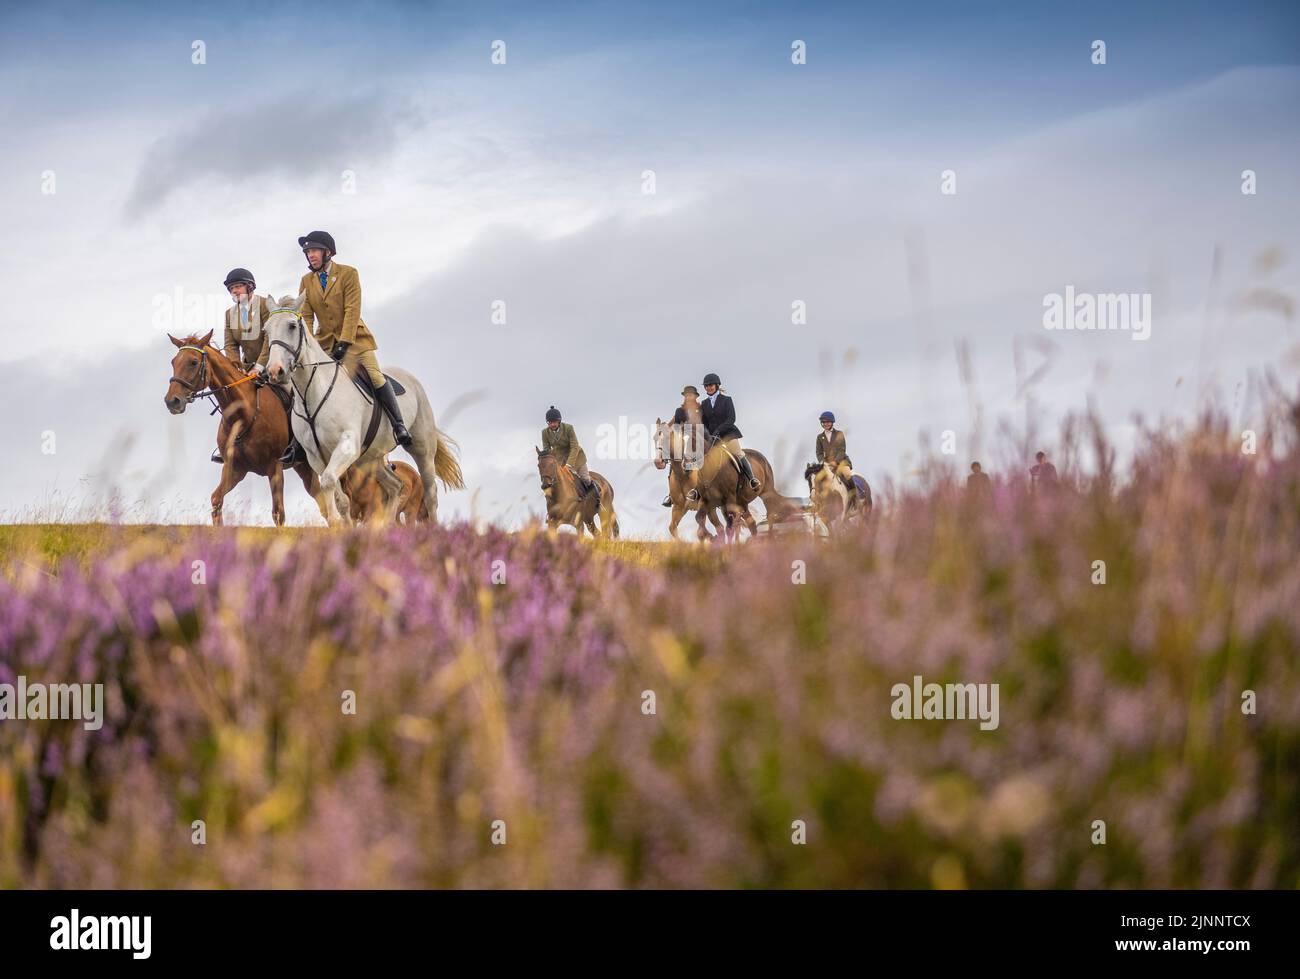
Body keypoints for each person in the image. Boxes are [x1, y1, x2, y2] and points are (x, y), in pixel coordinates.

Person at [282, 231, 411, 464]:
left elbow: (353, 310)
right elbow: (306, 316)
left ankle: (398, 425)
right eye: (307, 252)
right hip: (323, 344)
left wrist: (345, 342)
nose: (310, 255)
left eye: (313, 251)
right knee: (301, 383)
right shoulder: (306, 281)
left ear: (327, 252)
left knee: (374, 376)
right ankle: (297, 443)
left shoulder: (349, 274)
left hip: (355, 340)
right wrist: (308, 344)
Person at [211, 268, 272, 463]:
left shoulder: (265, 305)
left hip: (273, 363)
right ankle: (229, 443)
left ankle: (295, 441)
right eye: (231, 288)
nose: (235, 291)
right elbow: (230, 344)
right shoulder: (230, 314)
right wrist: (236, 367)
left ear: (249, 286)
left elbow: (270, 338)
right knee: (231, 397)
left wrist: (260, 366)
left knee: (288, 393)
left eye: (238, 286)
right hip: (246, 368)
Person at [686, 372, 759, 501]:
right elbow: (704, 422)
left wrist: (719, 430)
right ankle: (697, 489)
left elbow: (731, 419)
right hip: (712, 437)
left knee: (738, 453)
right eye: (707, 386)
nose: (709, 387)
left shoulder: (726, 400)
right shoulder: (704, 404)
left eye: (711, 385)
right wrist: (706, 433)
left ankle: (752, 479)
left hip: (728, 434)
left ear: (717, 385)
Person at [542, 406, 600, 505]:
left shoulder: (568, 428)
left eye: (554, 422)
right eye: (550, 422)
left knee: (585, 478)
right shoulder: (545, 433)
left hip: (576, 457)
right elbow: (547, 451)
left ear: (559, 421)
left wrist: (569, 464)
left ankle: (597, 500)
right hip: (560, 461)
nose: (552, 424)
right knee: (554, 482)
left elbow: (575, 447)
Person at [662, 385, 704, 507]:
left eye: (690, 395)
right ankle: (671, 494)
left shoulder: (701, 409)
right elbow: (676, 427)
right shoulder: (679, 411)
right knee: (675, 457)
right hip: (684, 437)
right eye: (686, 395)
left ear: (695, 396)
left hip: (700, 438)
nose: (688, 397)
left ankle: (704, 487)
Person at [815, 411, 853, 486]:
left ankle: (854, 494)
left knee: (847, 474)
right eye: (823, 422)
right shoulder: (819, 437)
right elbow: (819, 453)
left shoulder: (839, 434)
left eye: (828, 422)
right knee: (818, 477)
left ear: (832, 422)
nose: (825, 424)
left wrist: (835, 461)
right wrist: (823, 462)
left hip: (841, 461)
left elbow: (841, 450)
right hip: (827, 463)